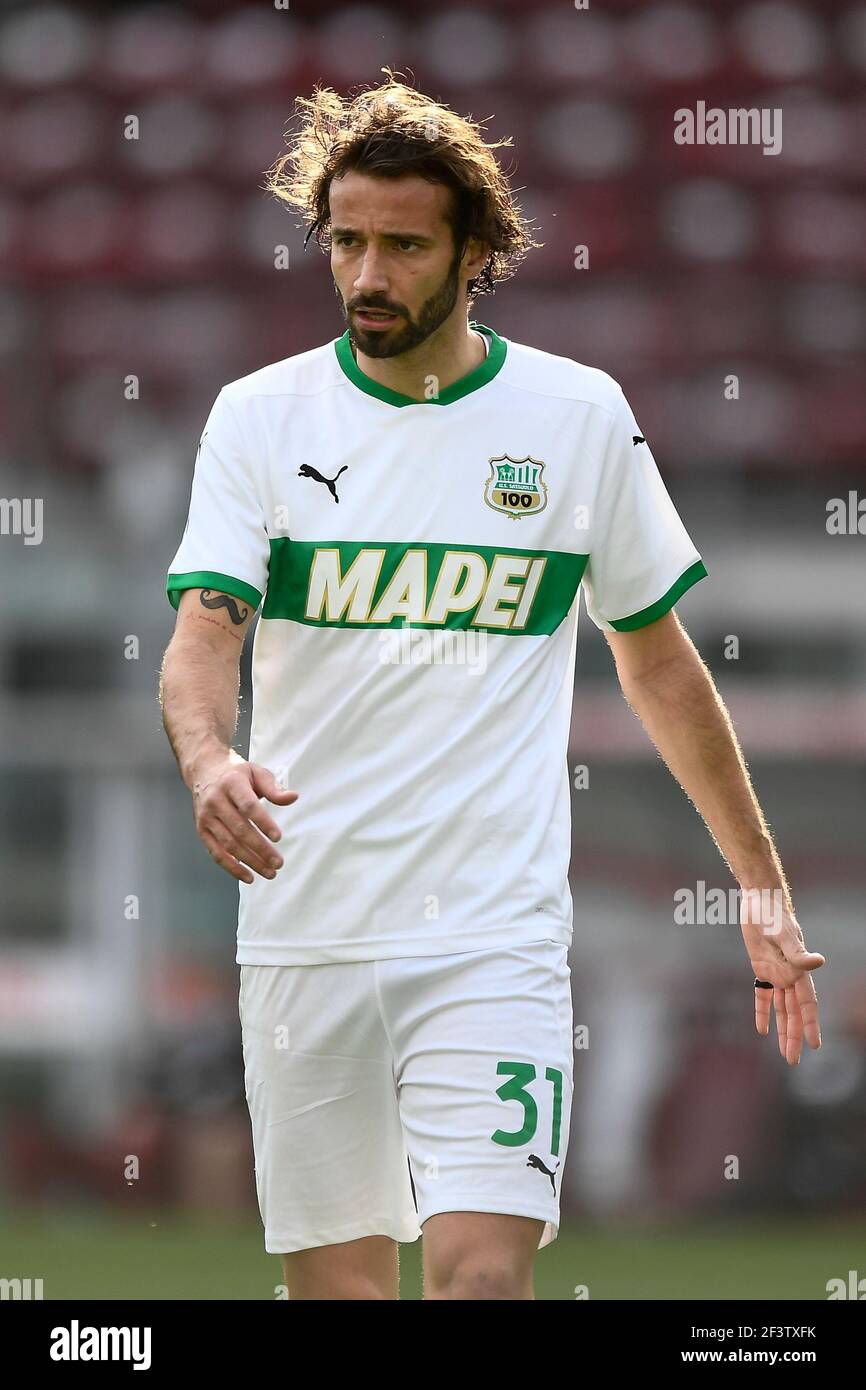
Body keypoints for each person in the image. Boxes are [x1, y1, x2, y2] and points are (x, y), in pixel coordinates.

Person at [159, 73, 824, 1301]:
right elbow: (208, 629)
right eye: (346, 241)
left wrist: (758, 882)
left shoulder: (573, 417)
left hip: (490, 937)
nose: (368, 273)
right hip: (305, 928)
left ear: (475, 254)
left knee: (480, 1286)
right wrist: (207, 759)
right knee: (343, 1293)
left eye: (403, 246)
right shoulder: (259, 419)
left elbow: (657, 661)